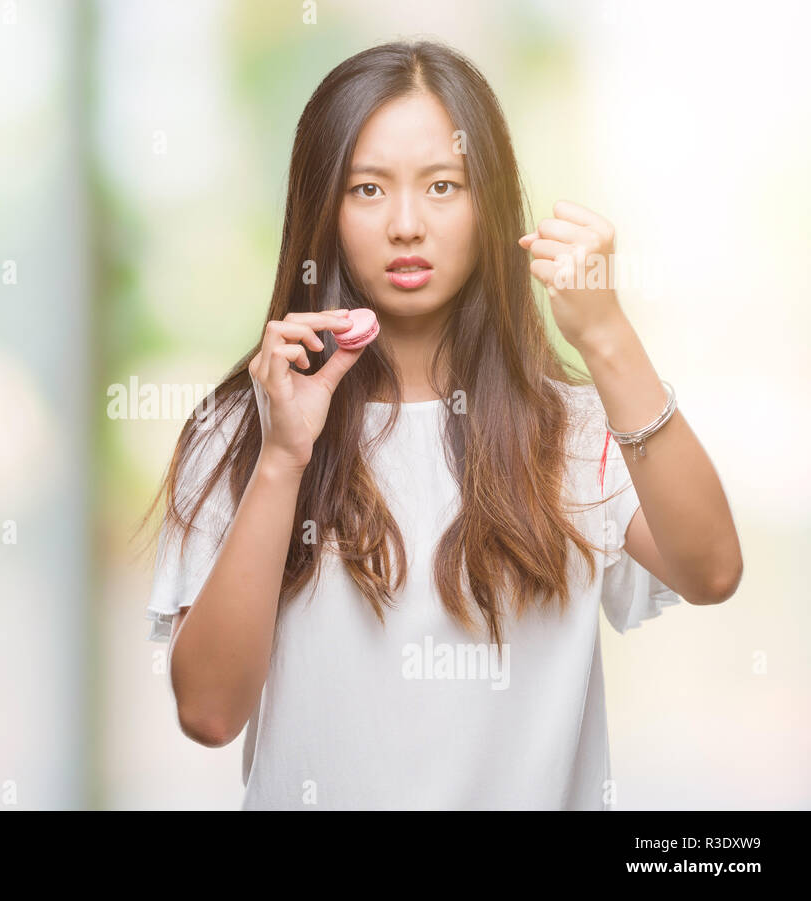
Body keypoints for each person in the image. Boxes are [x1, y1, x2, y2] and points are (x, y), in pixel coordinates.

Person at [138, 40, 742, 810]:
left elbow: (712, 570)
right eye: (367, 189)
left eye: (442, 185)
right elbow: (209, 712)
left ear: (489, 205)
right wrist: (285, 457)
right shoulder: (245, 427)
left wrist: (607, 335)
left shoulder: (578, 428)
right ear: (322, 206)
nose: (406, 224)